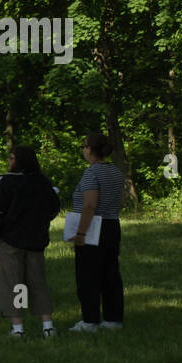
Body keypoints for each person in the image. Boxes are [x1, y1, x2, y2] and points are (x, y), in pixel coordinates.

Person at [0, 146, 61, 338]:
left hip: (9, 241)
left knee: (14, 284)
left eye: (11, 158)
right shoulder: (42, 182)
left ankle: (18, 328)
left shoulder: (5, 182)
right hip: (36, 240)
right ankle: (47, 326)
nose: (9, 162)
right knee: (38, 282)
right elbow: (54, 208)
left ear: (19, 161)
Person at [70, 132, 125, 332]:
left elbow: (90, 205)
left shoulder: (92, 173)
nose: (83, 150)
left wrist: (81, 233)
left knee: (88, 275)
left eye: (85, 146)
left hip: (94, 227)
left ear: (91, 149)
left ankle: (90, 320)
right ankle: (113, 318)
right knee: (110, 273)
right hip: (112, 225)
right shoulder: (116, 172)